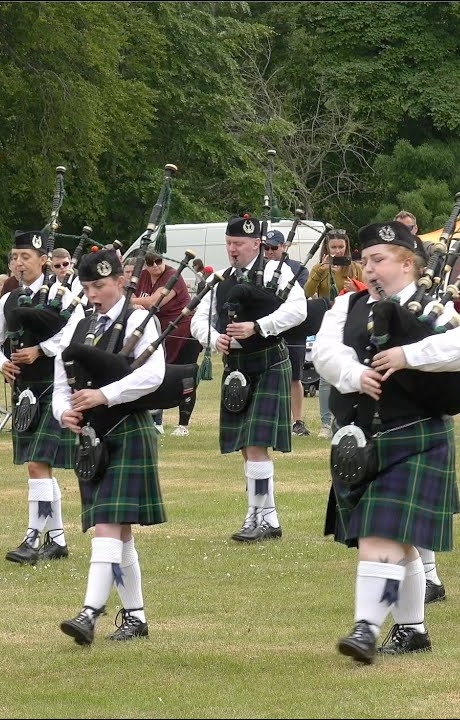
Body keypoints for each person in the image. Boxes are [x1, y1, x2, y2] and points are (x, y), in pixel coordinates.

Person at [313, 221, 460, 663]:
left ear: (407, 264)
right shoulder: (346, 306)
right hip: (362, 441)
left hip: (416, 436)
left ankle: (366, 628)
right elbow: (325, 353)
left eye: (378, 260)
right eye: (365, 260)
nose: (368, 269)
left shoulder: (430, 307)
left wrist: (409, 355)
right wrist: (355, 375)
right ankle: (412, 629)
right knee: (398, 541)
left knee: (380, 533)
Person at [53, 248, 166, 644]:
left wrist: (106, 395)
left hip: (126, 428)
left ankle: (89, 613)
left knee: (107, 526)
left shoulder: (139, 319)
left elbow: (154, 374)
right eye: (86, 287)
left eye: (100, 285)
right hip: (91, 439)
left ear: (121, 280)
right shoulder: (78, 324)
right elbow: (62, 379)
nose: (93, 294)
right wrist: (62, 413)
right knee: (119, 534)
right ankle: (136, 617)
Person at [190, 215, 307, 542]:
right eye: (229, 243)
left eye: (239, 244)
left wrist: (258, 326)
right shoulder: (221, 278)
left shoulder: (277, 272)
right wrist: (215, 339)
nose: (232, 250)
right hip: (236, 367)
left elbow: (298, 310)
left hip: (269, 361)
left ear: (256, 243)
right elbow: (199, 319)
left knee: (255, 443)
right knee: (246, 445)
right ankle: (269, 518)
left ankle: (255, 518)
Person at [0, 230, 84, 564]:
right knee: (40, 467)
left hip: (53, 387)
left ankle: (32, 538)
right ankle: (56, 539)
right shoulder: (8, 299)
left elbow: (77, 332)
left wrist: (39, 350)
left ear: (43, 261)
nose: (17, 263)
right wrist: (1, 362)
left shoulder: (63, 294)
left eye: (25, 257)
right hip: (24, 392)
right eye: (13, 257)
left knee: (36, 465)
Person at [133, 251, 200, 436]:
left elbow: (155, 302)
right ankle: (156, 421)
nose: (155, 265)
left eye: (158, 261)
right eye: (150, 262)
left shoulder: (173, 276)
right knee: (153, 374)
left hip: (183, 333)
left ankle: (183, 425)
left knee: (186, 377)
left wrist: (130, 301)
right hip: (158, 333)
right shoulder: (144, 276)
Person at [305, 230, 364, 438]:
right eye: (334, 247)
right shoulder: (319, 269)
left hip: (351, 323)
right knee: (325, 376)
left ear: (347, 247)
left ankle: (346, 419)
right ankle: (324, 423)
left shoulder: (356, 268)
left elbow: (368, 293)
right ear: (327, 249)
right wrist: (319, 272)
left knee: (350, 370)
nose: (338, 251)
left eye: (341, 247)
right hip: (327, 324)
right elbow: (306, 292)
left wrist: (355, 288)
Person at [263, 229, 312, 437]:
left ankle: (297, 421)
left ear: (284, 247)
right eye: (267, 247)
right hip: (266, 328)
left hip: (292, 329)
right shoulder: (258, 268)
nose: (270, 252)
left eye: (274, 247)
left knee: (294, 377)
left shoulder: (298, 269)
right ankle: (270, 419)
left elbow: (291, 297)